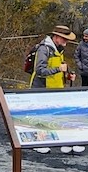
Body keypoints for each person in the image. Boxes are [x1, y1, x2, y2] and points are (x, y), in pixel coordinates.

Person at [30, 25, 81, 154]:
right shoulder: (44, 49)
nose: (66, 41)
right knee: (40, 116)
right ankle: (38, 142)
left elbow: (59, 67)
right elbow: (40, 70)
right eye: (64, 38)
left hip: (55, 88)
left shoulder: (58, 49)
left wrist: (68, 75)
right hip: (42, 87)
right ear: (56, 37)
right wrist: (58, 70)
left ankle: (61, 141)